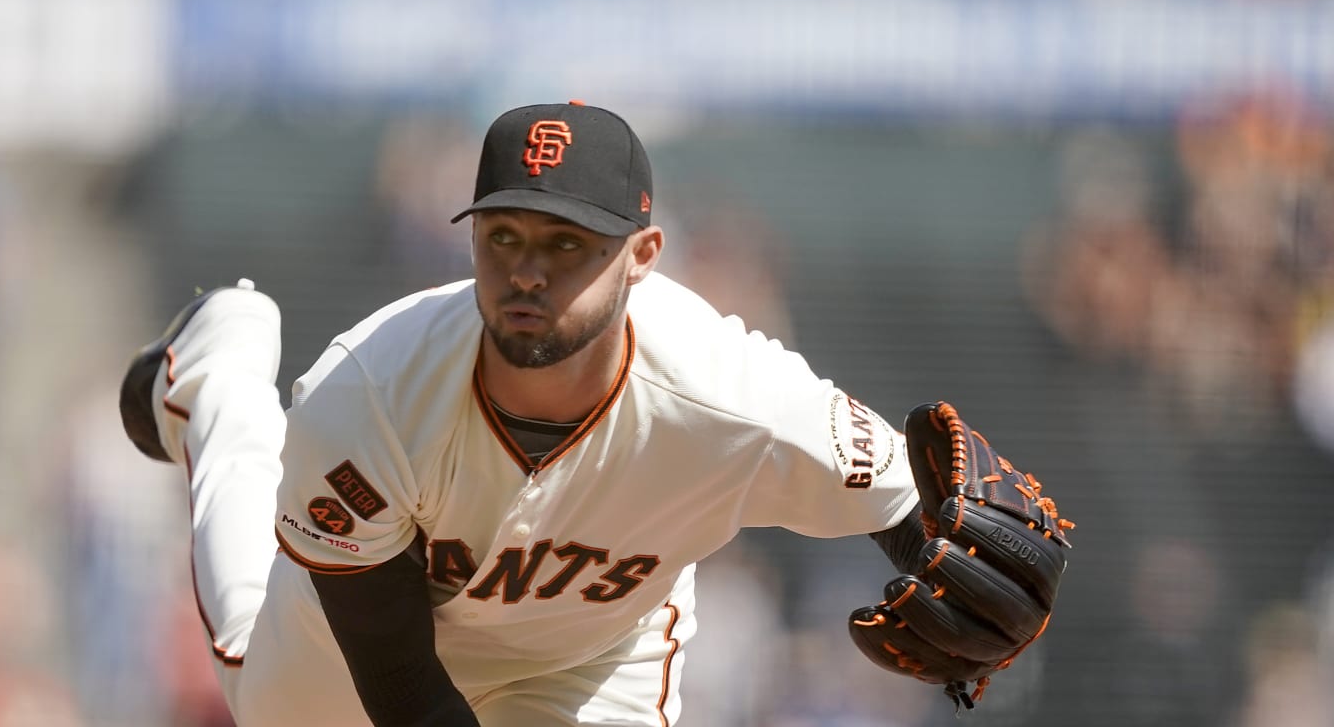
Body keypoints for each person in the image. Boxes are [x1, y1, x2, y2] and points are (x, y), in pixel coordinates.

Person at [118, 101, 1060, 726]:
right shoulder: (368, 396)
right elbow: (403, 685)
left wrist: (970, 587)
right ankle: (221, 377)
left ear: (644, 252)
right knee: (246, 658)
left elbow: (913, 509)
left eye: (567, 243)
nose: (527, 269)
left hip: (590, 662)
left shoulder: (736, 397)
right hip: (368, 663)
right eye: (504, 236)